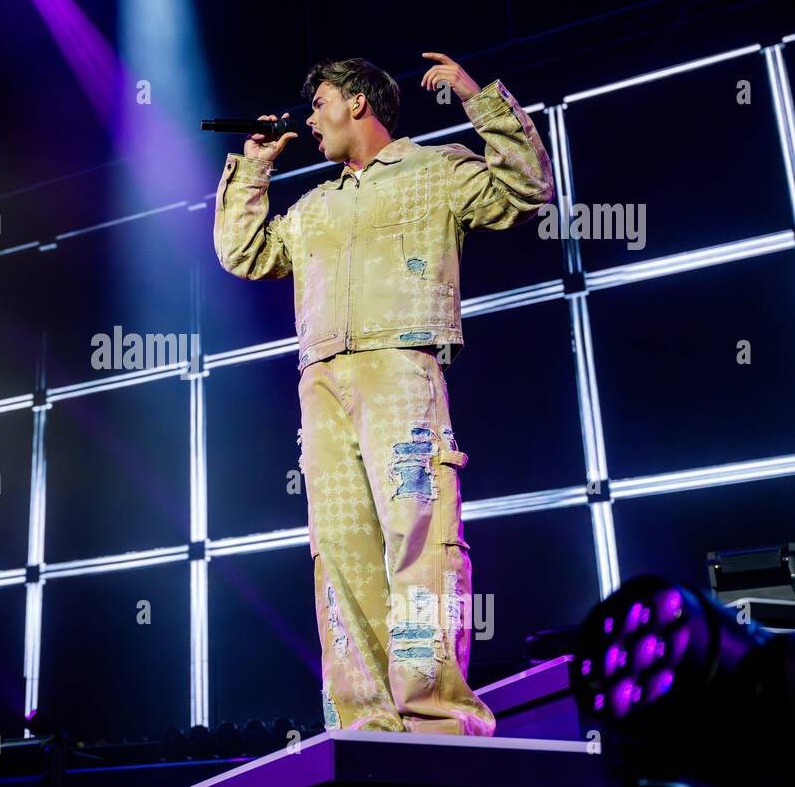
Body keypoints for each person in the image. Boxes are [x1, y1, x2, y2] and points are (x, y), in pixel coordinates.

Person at [213, 53, 554, 735]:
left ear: (359, 103)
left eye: (320, 104)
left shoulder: (436, 171)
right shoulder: (312, 208)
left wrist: (476, 96)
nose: (309, 119)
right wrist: (252, 169)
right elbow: (244, 252)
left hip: (400, 370)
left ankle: (432, 711)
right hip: (321, 387)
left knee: (420, 542)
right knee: (340, 554)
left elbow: (526, 188)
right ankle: (366, 723)